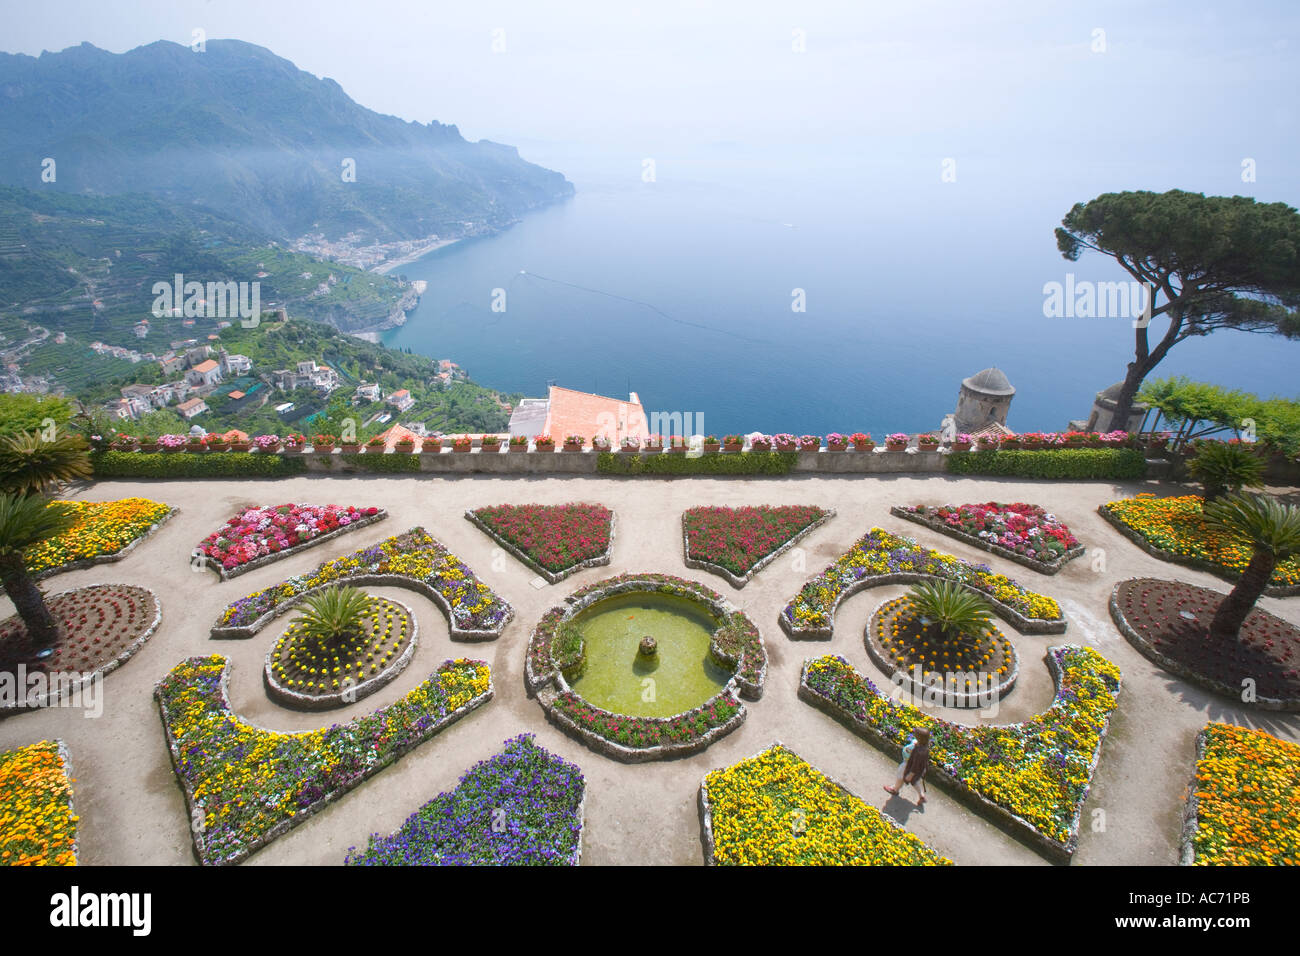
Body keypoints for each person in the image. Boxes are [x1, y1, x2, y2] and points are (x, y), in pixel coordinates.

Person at [883, 727, 931, 804]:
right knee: (915, 781)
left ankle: (895, 789)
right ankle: (921, 795)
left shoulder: (917, 751)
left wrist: (911, 774)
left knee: (900, 777)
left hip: (908, 766)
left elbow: (915, 764)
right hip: (920, 768)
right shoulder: (925, 747)